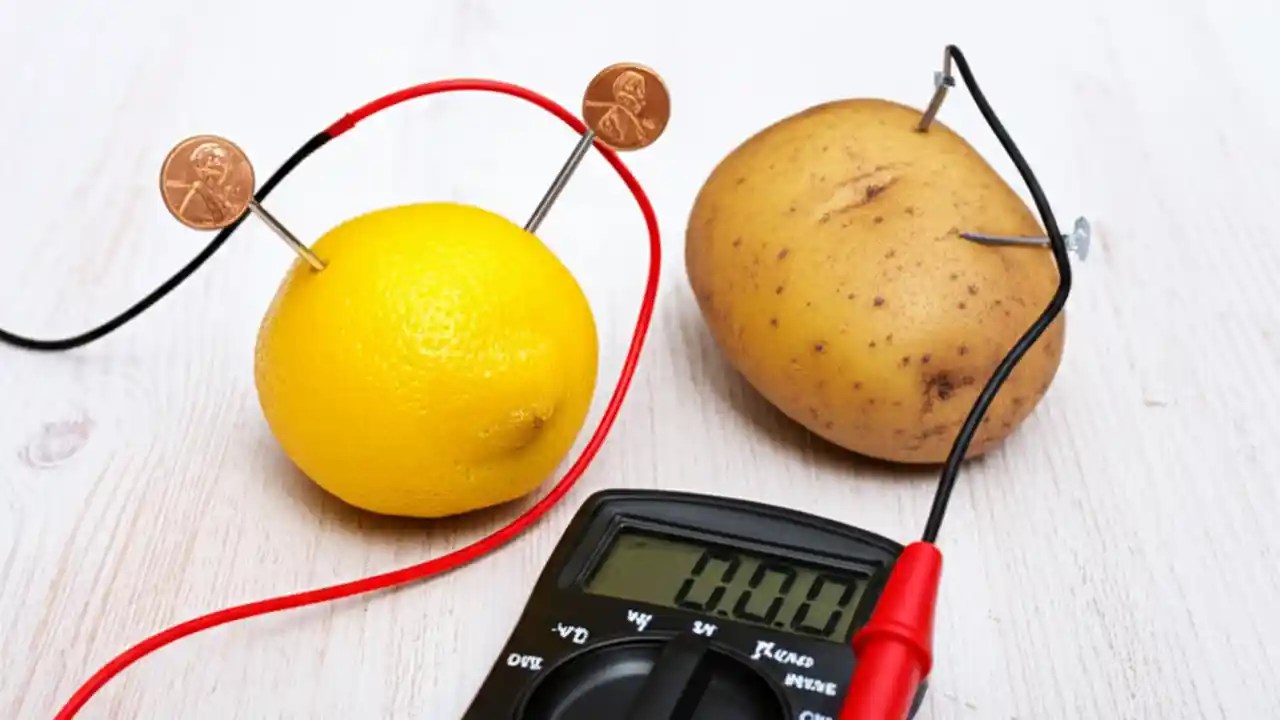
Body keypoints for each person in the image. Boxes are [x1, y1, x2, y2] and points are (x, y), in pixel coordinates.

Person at [585, 69, 659, 147]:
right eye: (638, 88)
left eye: (641, 90)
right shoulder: (621, 111)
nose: (641, 94)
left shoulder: (629, 113)